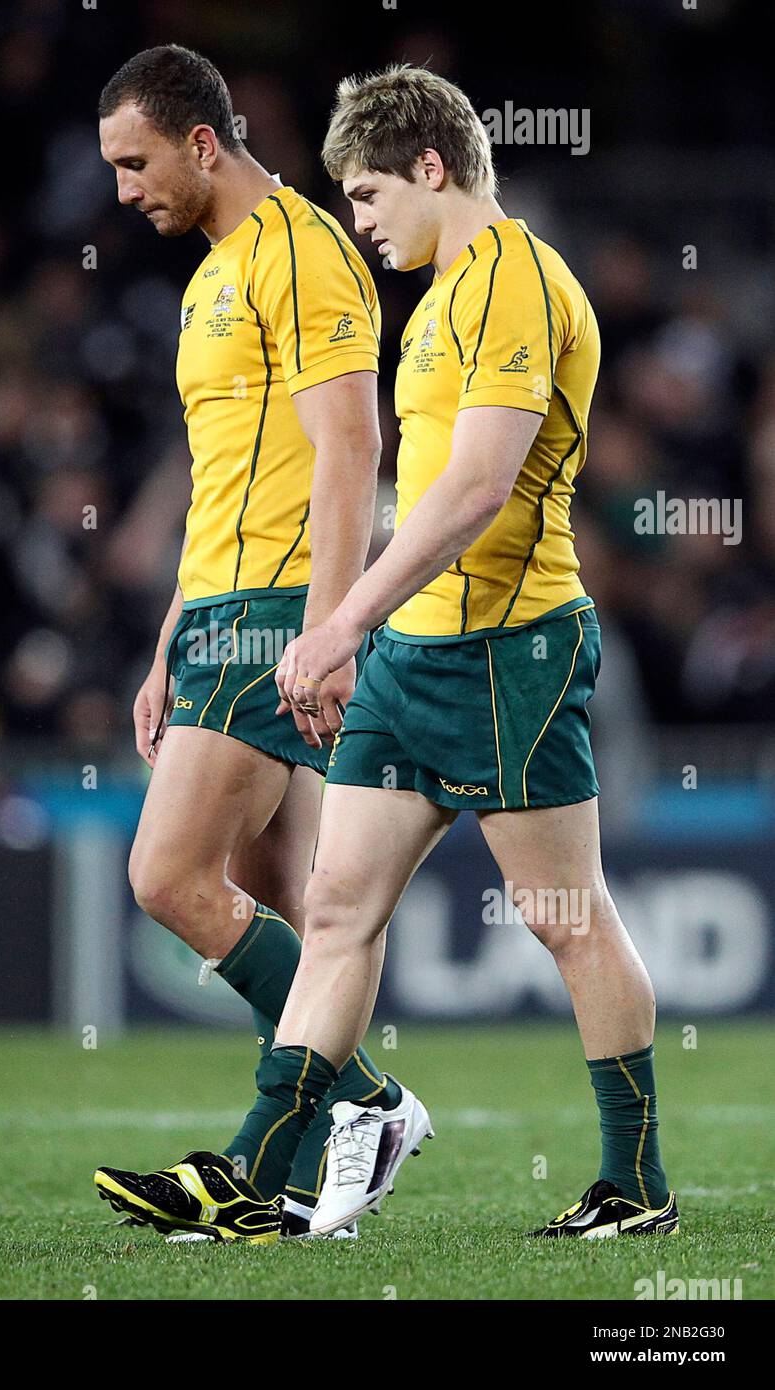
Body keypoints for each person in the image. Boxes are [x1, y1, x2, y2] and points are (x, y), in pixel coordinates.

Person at [95, 63, 677, 1244]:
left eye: (368, 193)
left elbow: (473, 486)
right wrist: (363, 621)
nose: (359, 221)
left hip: (510, 648)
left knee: (565, 913)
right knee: (338, 904)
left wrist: (337, 616)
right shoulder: (445, 295)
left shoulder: (514, 282)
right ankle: (258, 1169)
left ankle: (634, 1179)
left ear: (429, 167)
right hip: (413, 646)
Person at [95, 45, 423, 1241]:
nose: (124, 192)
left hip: (282, 612)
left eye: (135, 164)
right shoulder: (211, 279)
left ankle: (368, 1112)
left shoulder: (304, 248)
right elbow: (219, 479)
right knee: (291, 898)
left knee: (168, 877)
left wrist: (334, 632)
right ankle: (304, 1157)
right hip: (220, 615)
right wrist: (166, 640)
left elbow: (352, 450)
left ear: (200, 140)